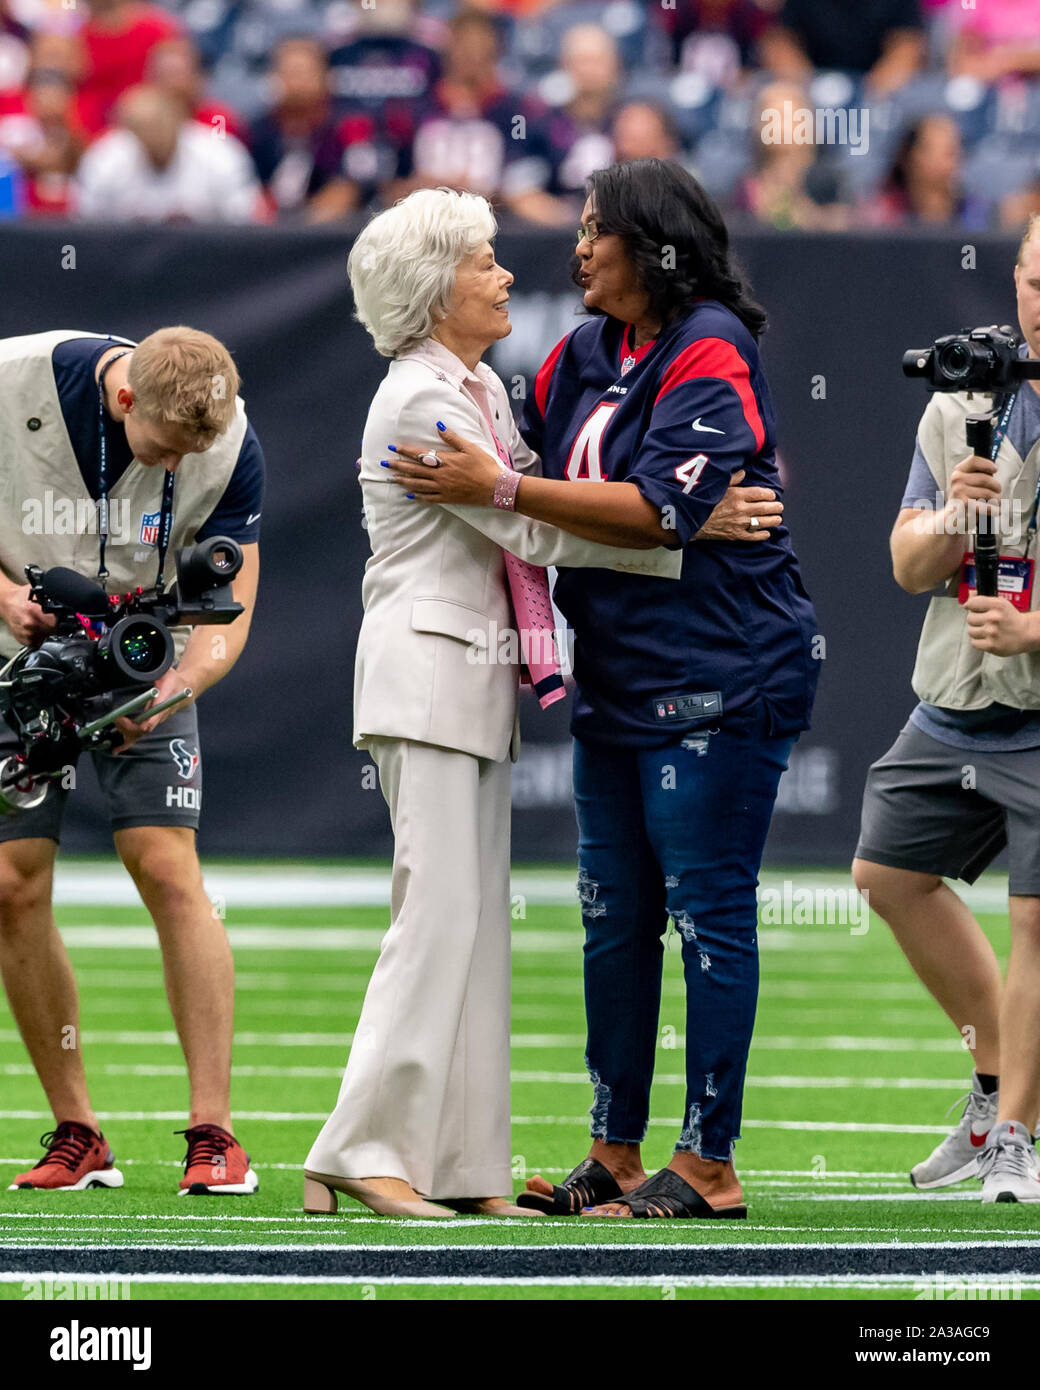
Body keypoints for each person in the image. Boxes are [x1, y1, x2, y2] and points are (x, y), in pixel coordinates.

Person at [302, 185, 772, 1221]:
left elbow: (535, 491)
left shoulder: (468, 386)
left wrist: (660, 517)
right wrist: (684, 528)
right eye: (481, 260)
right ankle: (358, 1146)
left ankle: (462, 1166)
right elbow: (531, 530)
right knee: (432, 917)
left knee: (470, 926)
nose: (508, 271)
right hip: (425, 670)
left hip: (468, 674)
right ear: (433, 289)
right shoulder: (422, 400)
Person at [1, 325, 264, 1196]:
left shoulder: (229, 439)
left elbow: (232, 615)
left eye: (202, 447)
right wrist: (6, 596)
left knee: (164, 862)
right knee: (10, 881)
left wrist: (172, 691)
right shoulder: (13, 380)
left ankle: (213, 1133)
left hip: (146, 660)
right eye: (168, 448)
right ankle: (78, 1131)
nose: (186, 463)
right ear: (124, 400)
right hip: (14, 654)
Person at [852, 216, 1040, 1204]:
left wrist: (1033, 628)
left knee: (1031, 917)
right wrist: (954, 516)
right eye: (1034, 283)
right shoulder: (964, 401)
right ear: (1012, 283)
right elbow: (904, 563)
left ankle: (1014, 1131)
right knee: (886, 874)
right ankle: (989, 1089)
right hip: (956, 701)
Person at [74, 84, 261, 223]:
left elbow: (246, 224)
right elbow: (85, 227)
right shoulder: (106, 159)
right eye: (144, 128)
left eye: (159, 125)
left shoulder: (221, 156)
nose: (154, 135)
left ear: (180, 120)